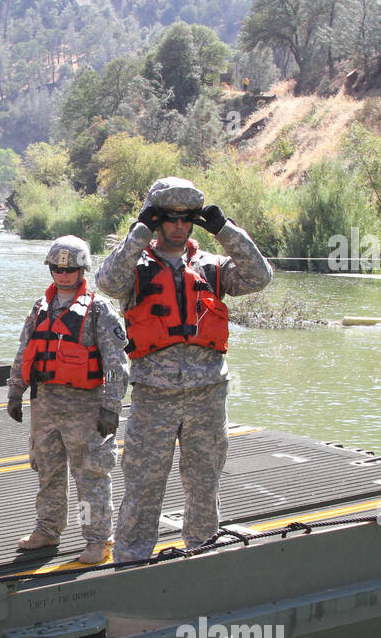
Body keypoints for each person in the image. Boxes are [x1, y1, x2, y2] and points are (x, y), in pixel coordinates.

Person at [96, 176, 273, 562]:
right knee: (143, 487)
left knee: (204, 485)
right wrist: (138, 234)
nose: (178, 226)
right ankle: (132, 561)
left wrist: (226, 230)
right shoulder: (135, 268)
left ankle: (203, 558)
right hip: (153, 399)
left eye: (186, 218)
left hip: (207, 398)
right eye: (169, 218)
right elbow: (106, 281)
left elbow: (261, 276)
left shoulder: (212, 267)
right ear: (157, 221)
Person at [7, 235, 129, 564]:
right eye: (57, 269)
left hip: (85, 409)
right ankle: (47, 530)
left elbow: (117, 364)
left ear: (82, 270)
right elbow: (24, 352)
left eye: (70, 269)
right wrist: (15, 390)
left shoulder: (99, 309)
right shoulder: (40, 307)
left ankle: (97, 539)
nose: (63, 275)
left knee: (90, 476)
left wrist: (111, 406)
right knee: (47, 472)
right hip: (45, 405)